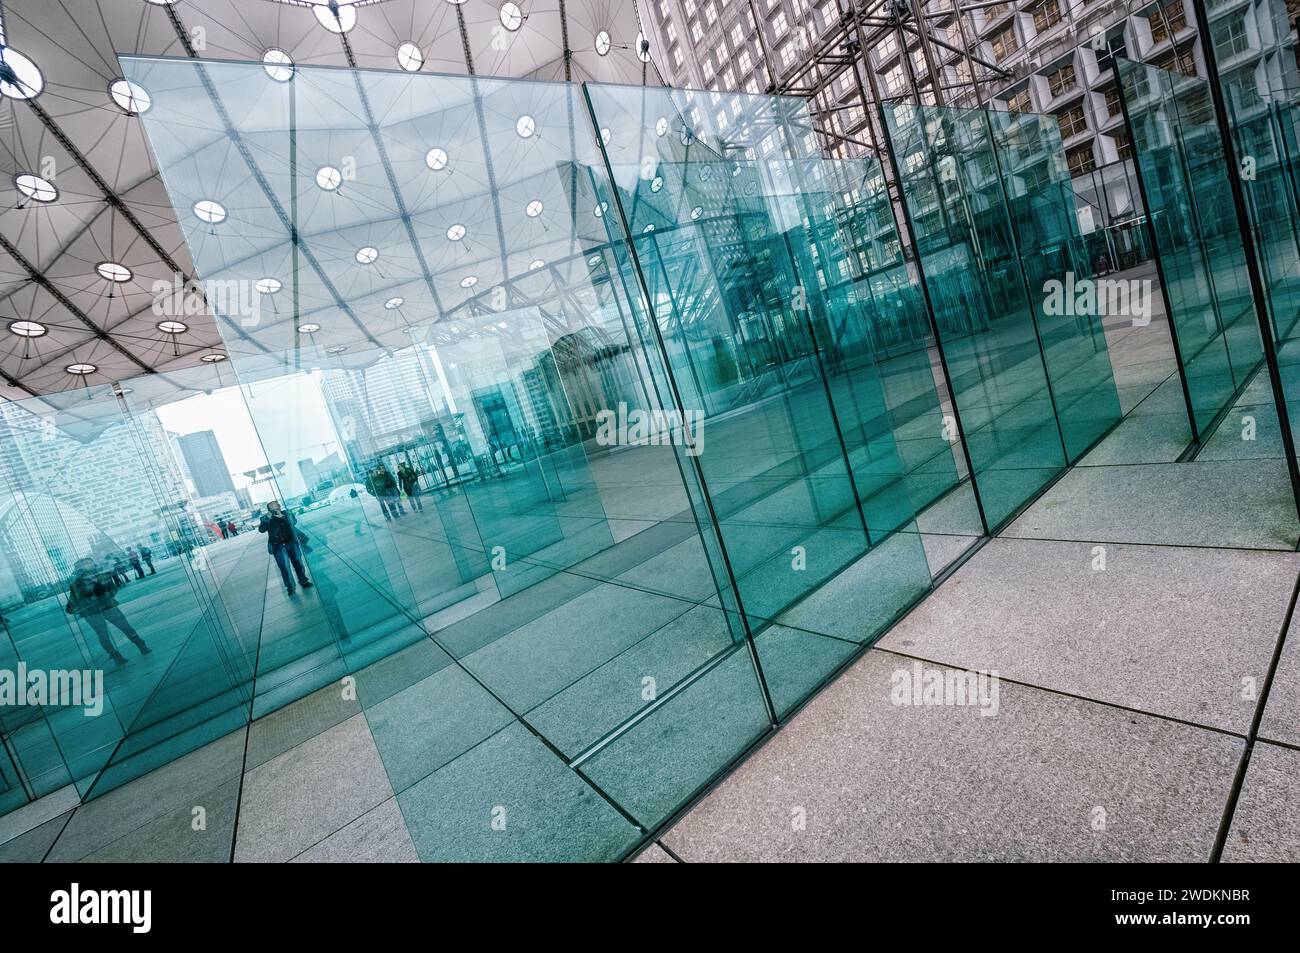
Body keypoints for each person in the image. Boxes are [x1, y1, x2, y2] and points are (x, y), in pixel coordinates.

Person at [66, 557, 151, 665]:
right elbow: (77, 599)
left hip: (108, 606)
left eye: (90, 563)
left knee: (126, 627)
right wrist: (91, 600)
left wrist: (103, 596)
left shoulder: (102, 575)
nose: (89, 565)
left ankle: (141, 646)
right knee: (103, 635)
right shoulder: (77, 583)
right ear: (80, 568)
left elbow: (113, 589)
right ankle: (116, 656)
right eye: (85, 564)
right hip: (92, 612)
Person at [258, 501, 314, 595]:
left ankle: (303, 581)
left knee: (298, 564)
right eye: (274, 506)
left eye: (277, 505)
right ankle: (290, 587)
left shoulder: (286, 513)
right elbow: (262, 529)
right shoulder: (265, 518)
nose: (277, 507)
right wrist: (268, 518)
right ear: (270, 509)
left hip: (291, 543)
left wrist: (283, 516)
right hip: (278, 547)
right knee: (285, 568)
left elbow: (294, 522)